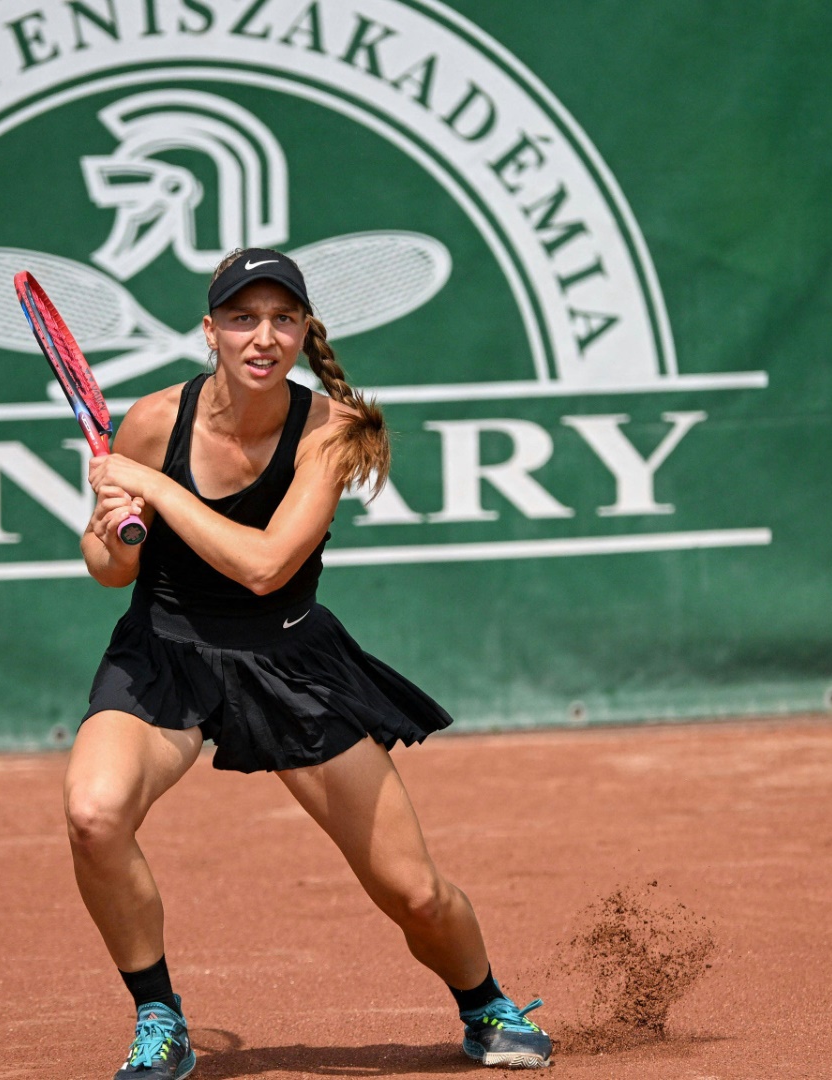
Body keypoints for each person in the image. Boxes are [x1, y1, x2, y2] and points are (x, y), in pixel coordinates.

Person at [67, 249, 552, 1076]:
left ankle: (485, 1005)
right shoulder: (151, 422)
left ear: (304, 330)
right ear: (210, 329)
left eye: (283, 319)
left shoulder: (332, 432)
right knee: (93, 814)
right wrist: (111, 530)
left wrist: (161, 495)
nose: (265, 338)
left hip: (289, 660)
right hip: (165, 650)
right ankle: (159, 1015)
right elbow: (110, 568)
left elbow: (264, 566)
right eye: (244, 319)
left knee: (414, 894)